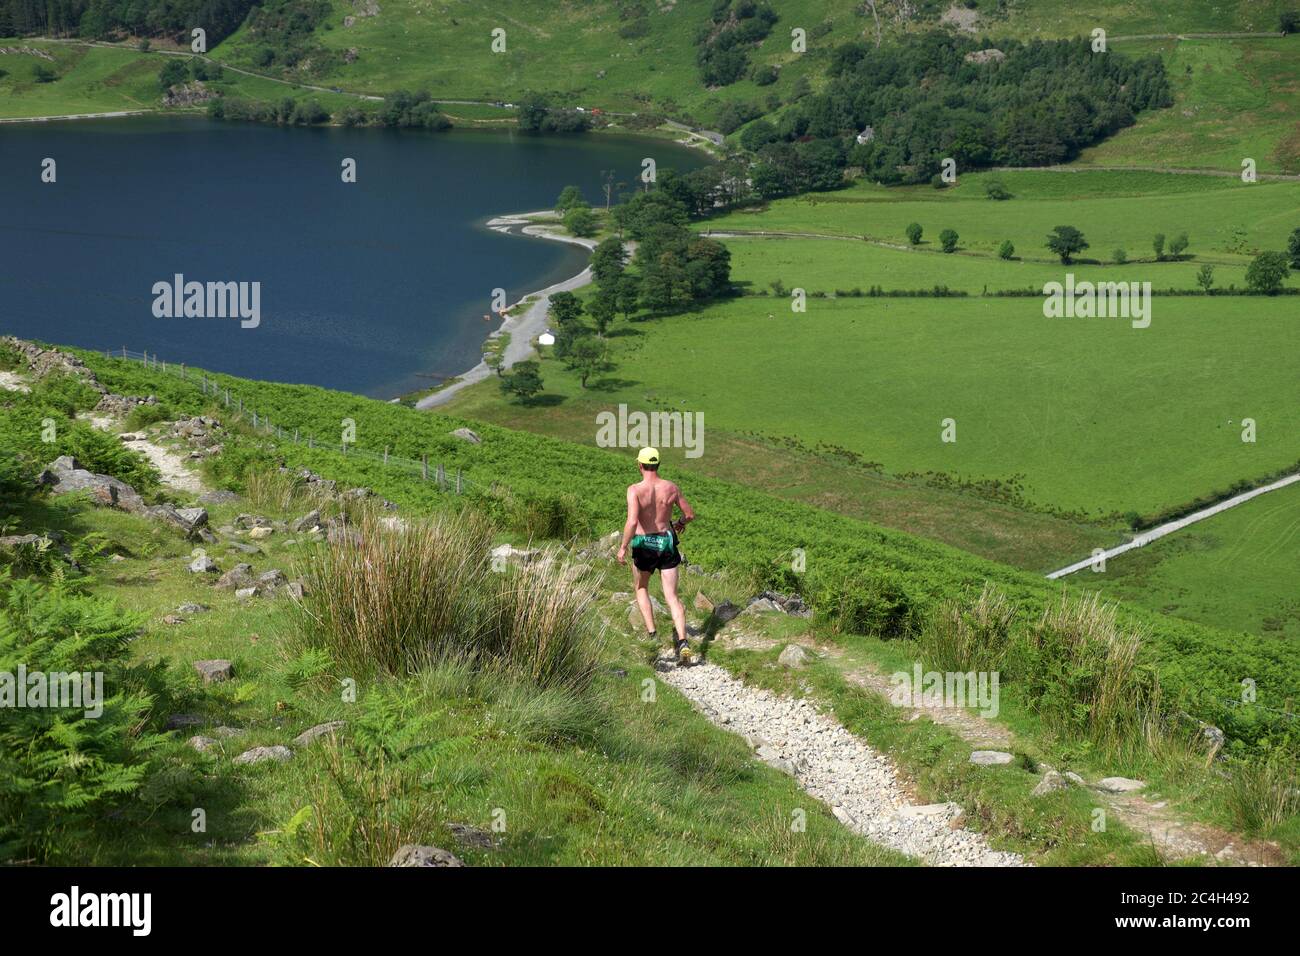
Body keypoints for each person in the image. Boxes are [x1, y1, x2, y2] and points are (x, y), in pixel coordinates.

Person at [617, 447, 696, 660]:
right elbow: (689, 514)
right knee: (672, 596)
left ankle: (653, 637)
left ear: (640, 465)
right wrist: (678, 523)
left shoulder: (634, 490)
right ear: (658, 465)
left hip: (644, 543)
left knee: (641, 587)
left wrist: (623, 547)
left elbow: (632, 521)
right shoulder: (671, 488)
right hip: (666, 542)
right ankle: (683, 642)